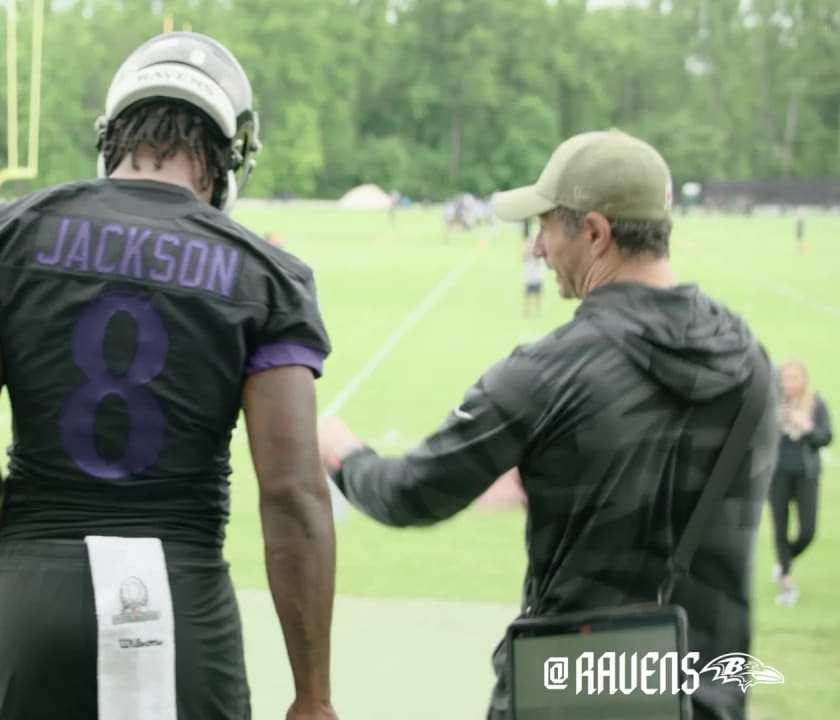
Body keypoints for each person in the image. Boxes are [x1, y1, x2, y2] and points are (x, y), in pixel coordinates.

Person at [0, 31, 337, 720]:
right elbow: (293, 495)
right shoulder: (264, 274)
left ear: (114, 132)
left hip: (38, 596)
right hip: (182, 592)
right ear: (225, 154)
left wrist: (14, 528)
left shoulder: (10, 234)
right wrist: (313, 696)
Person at [318, 129, 778, 720]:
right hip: (707, 696)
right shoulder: (751, 361)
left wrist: (344, 454)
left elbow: (410, 494)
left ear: (594, 233)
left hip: (574, 698)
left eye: (547, 227)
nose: (537, 249)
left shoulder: (547, 374)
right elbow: (677, 476)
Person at [768, 358, 832, 606]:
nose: (791, 383)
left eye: (795, 377)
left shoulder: (815, 405)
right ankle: (786, 582)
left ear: (804, 379)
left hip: (806, 474)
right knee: (780, 528)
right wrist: (778, 421)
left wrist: (806, 427)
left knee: (807, 531)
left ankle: (786, 560)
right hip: (778, 474)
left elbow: (825, 437)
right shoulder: (773, 404)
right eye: (786, 377)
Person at [521, 233, 544, 317]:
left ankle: (537, 311)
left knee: (537, 295)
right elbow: (523, 258)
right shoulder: (528, 254)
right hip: (529, 277)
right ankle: (527, 311)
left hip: (537, 276)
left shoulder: (538, 253)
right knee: (527, 295)